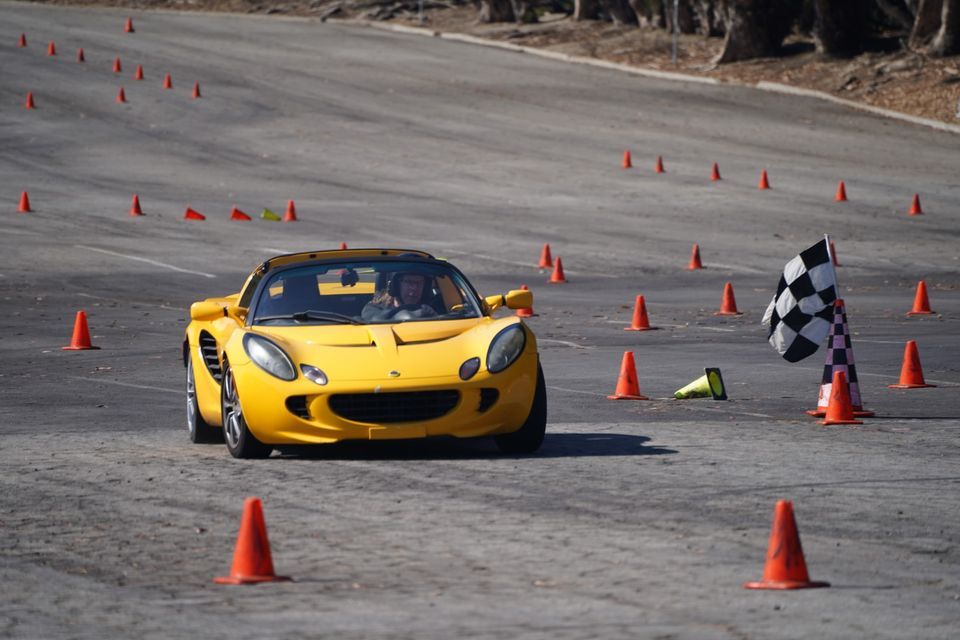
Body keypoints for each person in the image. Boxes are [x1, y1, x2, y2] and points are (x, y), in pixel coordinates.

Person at [361, 270, 438, 322]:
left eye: (419, 283)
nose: (414, 288)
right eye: (408, 282)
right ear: (396, 285)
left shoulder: (434, 308)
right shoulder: (373, 309)